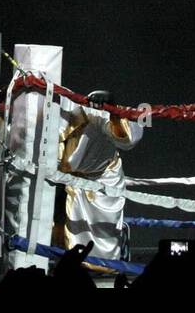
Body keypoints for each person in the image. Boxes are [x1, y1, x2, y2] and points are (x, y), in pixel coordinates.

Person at [53, 90, 144, 262]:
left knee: (104, 233)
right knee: (58, 227)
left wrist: (113, 111)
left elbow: (128, 140)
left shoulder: (93, 114)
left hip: (102, 180)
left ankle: (107, 264)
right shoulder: (41, 121)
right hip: (64, 180)